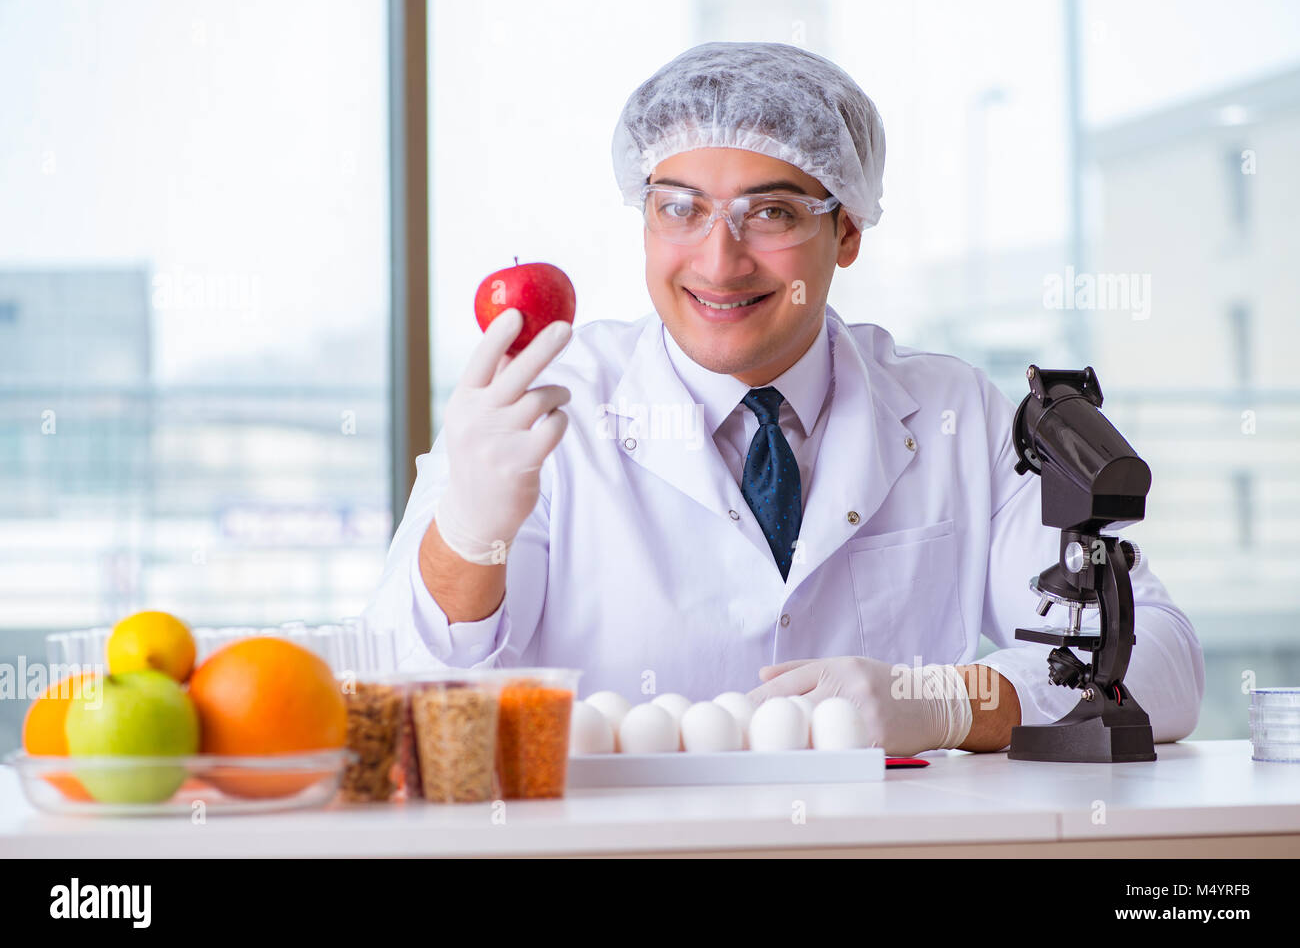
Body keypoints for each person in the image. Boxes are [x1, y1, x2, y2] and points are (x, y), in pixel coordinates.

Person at [362, 42, 1204, 755]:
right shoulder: (541, 410)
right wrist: (469, 538)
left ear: (847, 232)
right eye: (679, 208)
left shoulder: (956, 412)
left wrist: (949, 700)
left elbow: (1161, 661)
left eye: (769, 213)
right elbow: (404, 693)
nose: (719, 261)